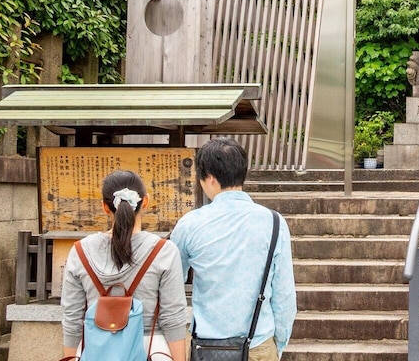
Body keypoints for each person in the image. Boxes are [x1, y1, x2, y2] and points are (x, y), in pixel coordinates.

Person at [171, 139, 296, 360]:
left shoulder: (189, 224)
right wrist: (278, 344)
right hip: (258, 344)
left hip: (206, 348)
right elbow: (284, 294)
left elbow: (172, 287)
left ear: (209, 177)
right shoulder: (274, 222)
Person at [62, 170, 190, 360]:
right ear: (145, 201)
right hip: (151, 349)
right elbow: (172, 318)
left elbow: (72, 318)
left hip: (97, 349)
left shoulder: (80, 251)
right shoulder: (163, 251)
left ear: (105, 207)